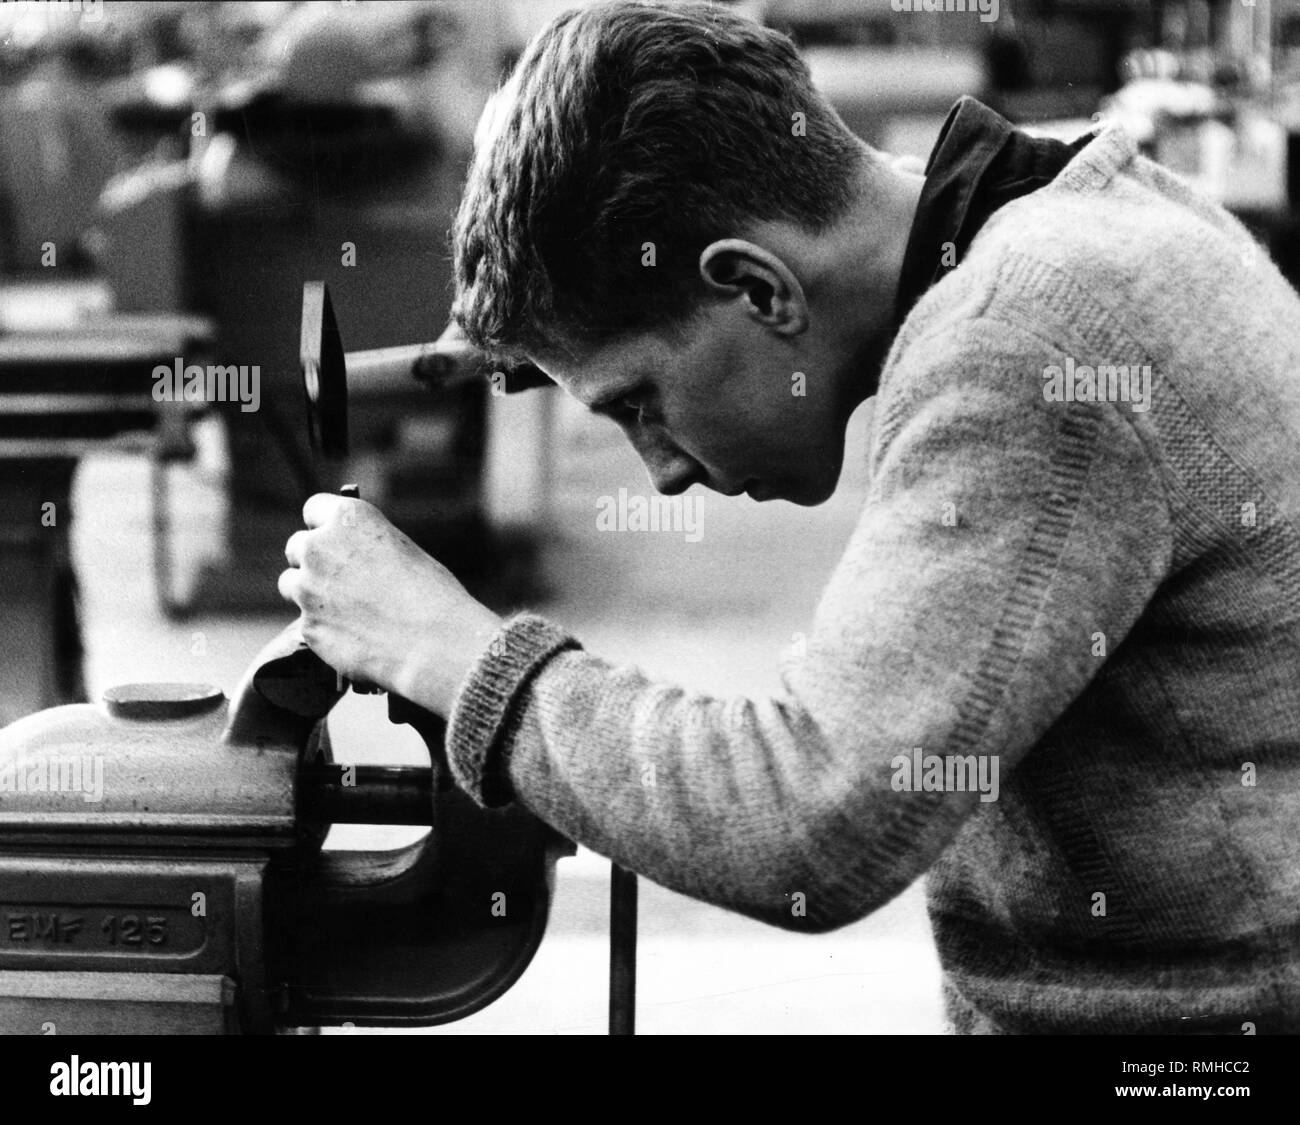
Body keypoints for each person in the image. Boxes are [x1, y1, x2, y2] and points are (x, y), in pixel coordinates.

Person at [279, 1, 1300, 1034]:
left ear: (758, 289)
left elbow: (814, 818)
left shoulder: (1024, 350)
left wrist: (455, 658)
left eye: (637, 402)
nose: (664, 473)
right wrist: (555, 327)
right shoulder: (1097, 214)